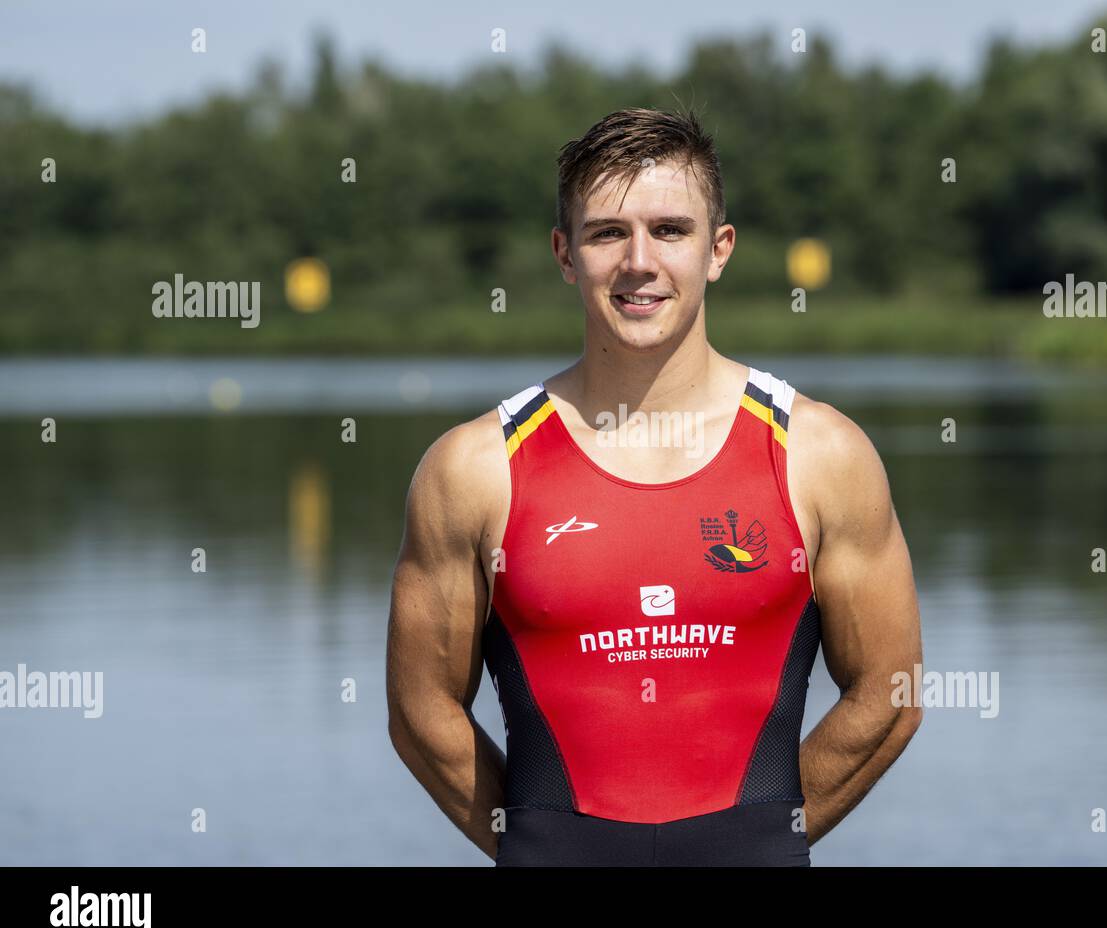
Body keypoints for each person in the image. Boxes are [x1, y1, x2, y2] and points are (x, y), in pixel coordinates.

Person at [386, 107, 923, 866]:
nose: (640, 261)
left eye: (671, 230)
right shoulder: (473, 468)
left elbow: (889, 694)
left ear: (719, 249)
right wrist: (538, 843)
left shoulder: (820, 454)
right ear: (565, 254)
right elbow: (419, 712)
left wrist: (765, 834)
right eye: (608, 233)